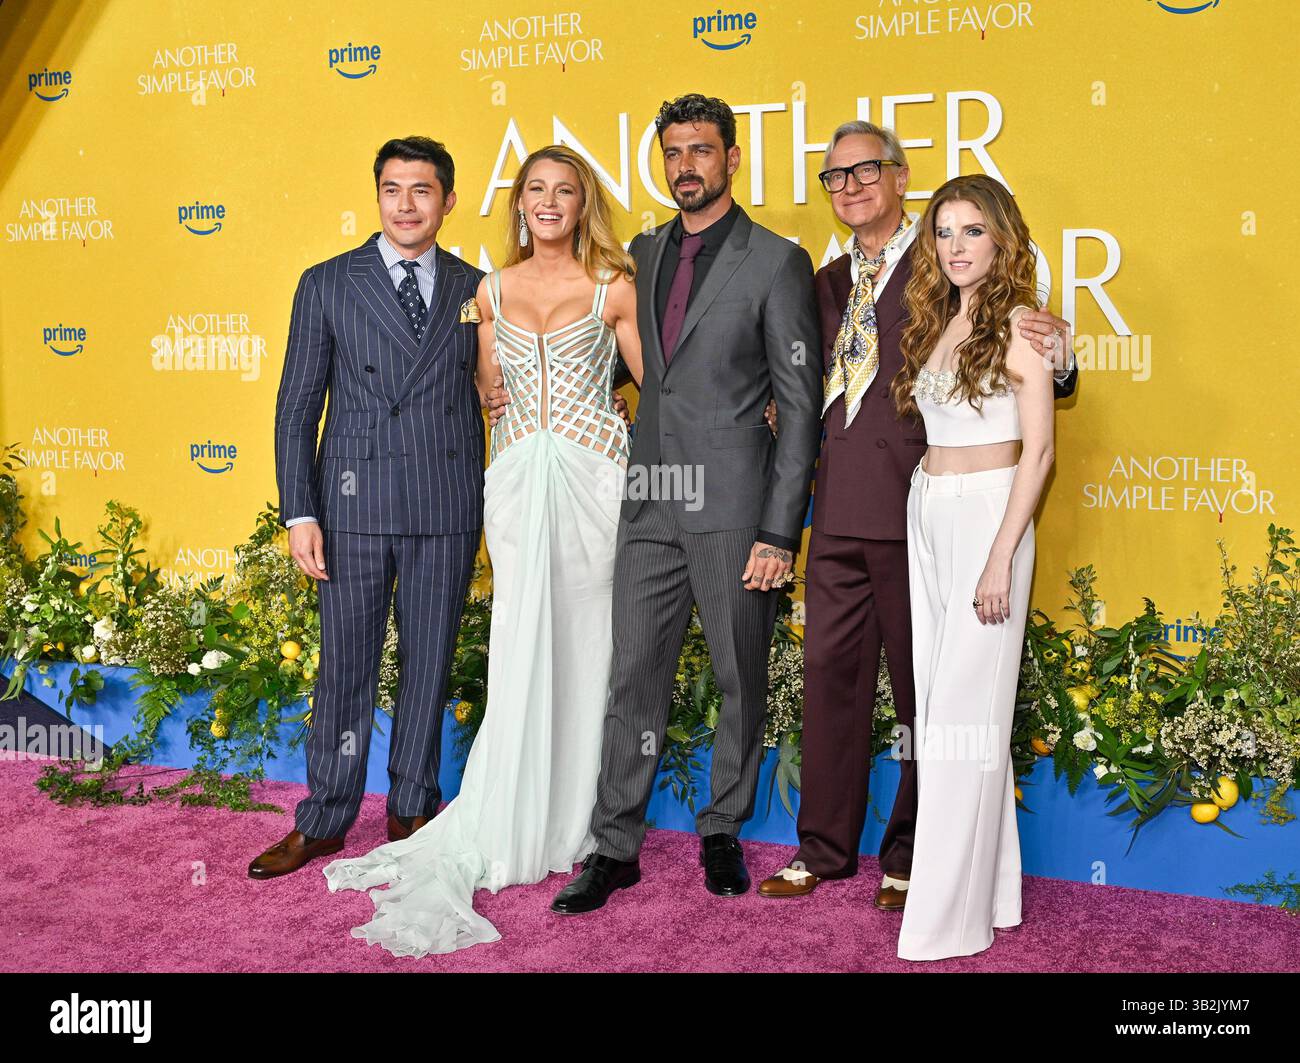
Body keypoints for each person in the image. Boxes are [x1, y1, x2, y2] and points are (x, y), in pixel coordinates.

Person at [319, 146, 644, 956]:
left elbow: (659, 388)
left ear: (583, 204)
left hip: (592, 483)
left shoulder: (616, 288)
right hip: (514, 480)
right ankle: (512, 807)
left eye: (565, 191)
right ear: (517, 202)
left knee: (588, 646)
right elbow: (485, 392)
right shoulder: (485, 291)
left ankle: (578, 816)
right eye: (536, 188)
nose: (549, 202)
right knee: (518, 644)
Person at [758, 122, 1076, 910]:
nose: (851, 186)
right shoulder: (825, 281)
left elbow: (1020, 357)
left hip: (921, 511)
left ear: (902, 178)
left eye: (867, 170)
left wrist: (1060, 355)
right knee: (831, 680)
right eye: (835, 177)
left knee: (922, 694)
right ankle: (823, 849)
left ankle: (909, 856)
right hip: (833, 509)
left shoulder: (940, 266)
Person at [545, 93, 823, 915]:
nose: (686, 167)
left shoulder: (777, 261)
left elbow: (800, 405)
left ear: (732, 158)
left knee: (741, 674)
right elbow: (629, 364)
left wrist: (780, 529)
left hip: (737, 505)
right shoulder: (641, 250)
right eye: (673, 154)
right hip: (650, 500)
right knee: (631, 675)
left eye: (701, 151)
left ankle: (723, 828)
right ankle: (615, 845)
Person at [249, 137, 485, 881]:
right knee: (346, 668)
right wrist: (301, 512)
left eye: (422, 190)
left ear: (448, 200)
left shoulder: (478, 287)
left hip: (445, 502)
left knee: (428, 666)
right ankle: (323, 818)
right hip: (350, 509)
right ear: (376, 196)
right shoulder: (325, 283)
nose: (406, 205)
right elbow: (296, 411)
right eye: (393, 189)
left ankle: (413, 807)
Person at [888, 173, 1055, 961]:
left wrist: (1000, 554)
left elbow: (1041, 451)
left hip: (991, 512)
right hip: (929, 507)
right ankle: (994, 891)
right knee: (950, 711)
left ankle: (945, 916)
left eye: (973, 232)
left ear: (1003, 238)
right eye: (944, 232)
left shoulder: (1026, 327)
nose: (956, 247)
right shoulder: (939, 321)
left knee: (961, 717)